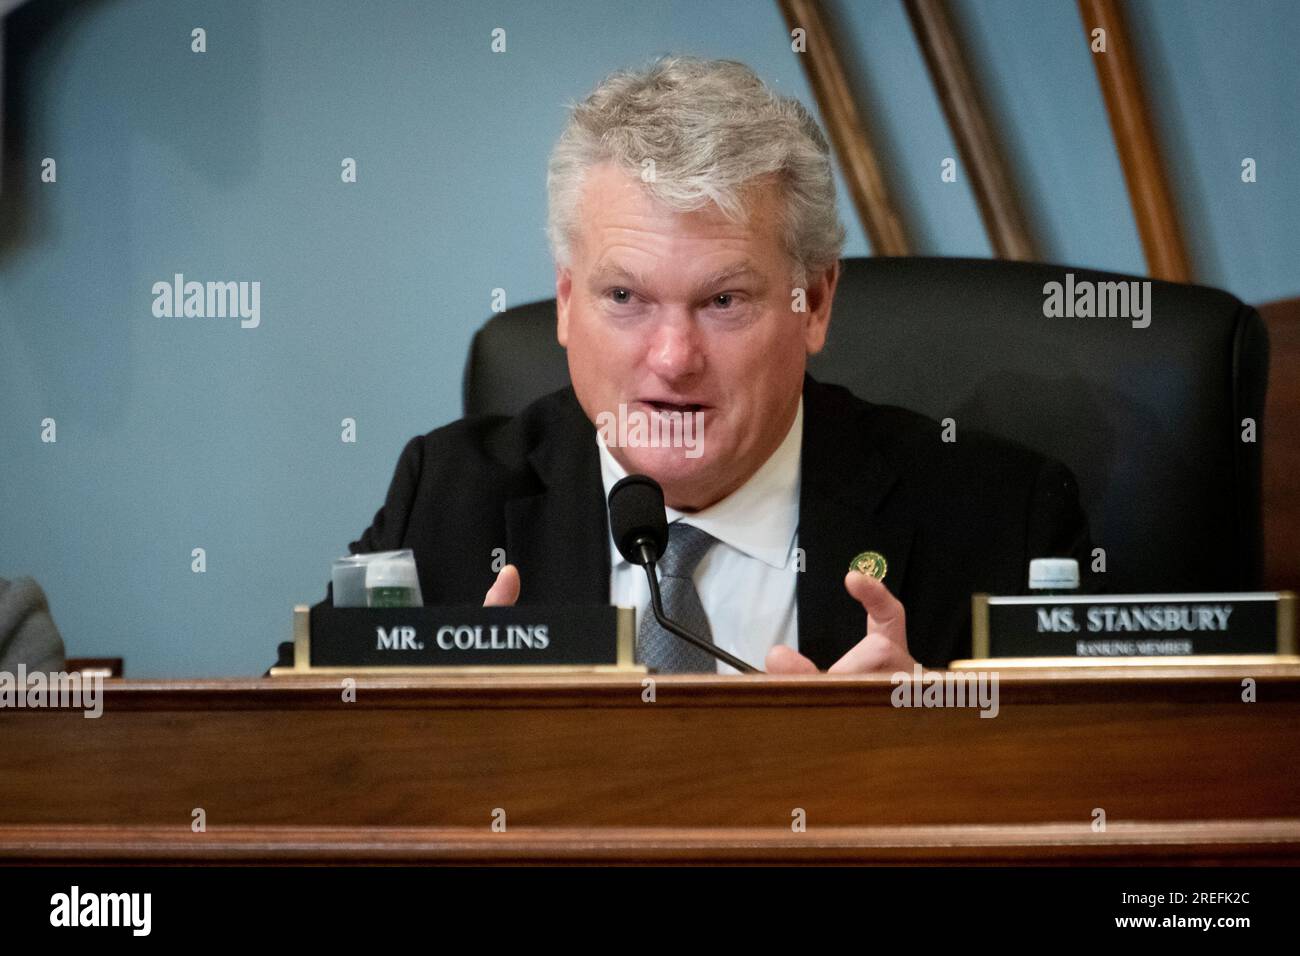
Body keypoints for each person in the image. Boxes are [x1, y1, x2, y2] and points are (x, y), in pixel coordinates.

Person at [324, 56, 1091, 673]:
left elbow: (1104, 802)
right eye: (624, 296)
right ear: (564, 300)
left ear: (814, 303)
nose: (673, 358)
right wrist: (433, 749)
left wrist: (916, 755)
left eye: (724, 301)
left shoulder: (999, 521)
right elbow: (287, 768)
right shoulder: (447, 504)